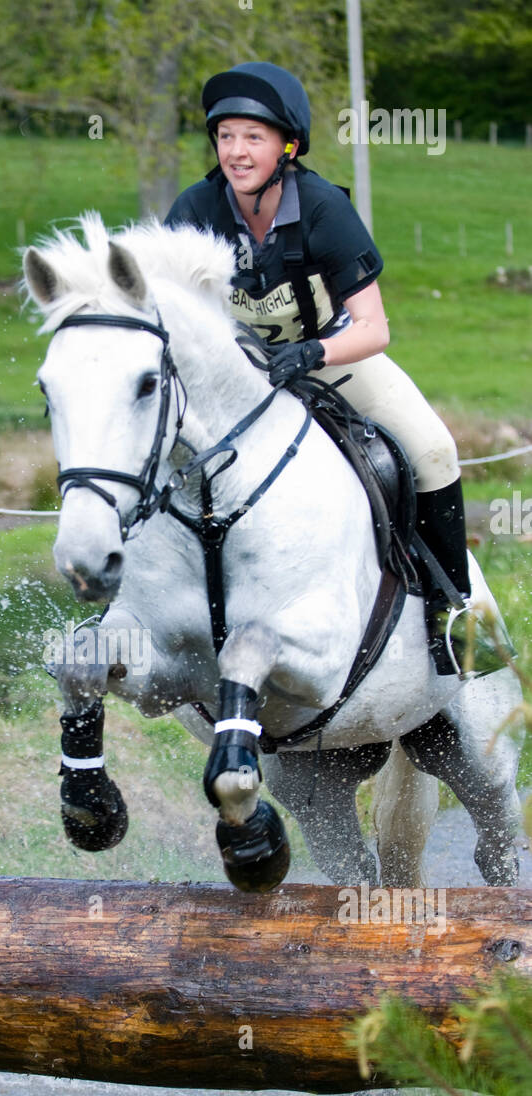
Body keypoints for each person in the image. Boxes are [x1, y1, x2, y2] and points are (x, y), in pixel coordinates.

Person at [164, 61, 475, 674]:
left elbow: (374, 329)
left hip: (332, 359)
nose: (236, 150)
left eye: (253, 137)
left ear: (288, 147)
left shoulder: (324, 208)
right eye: (225, 136)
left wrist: (311, 353)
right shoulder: (194, 208)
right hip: (238, 383)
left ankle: (454, 615)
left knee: (434, 450)